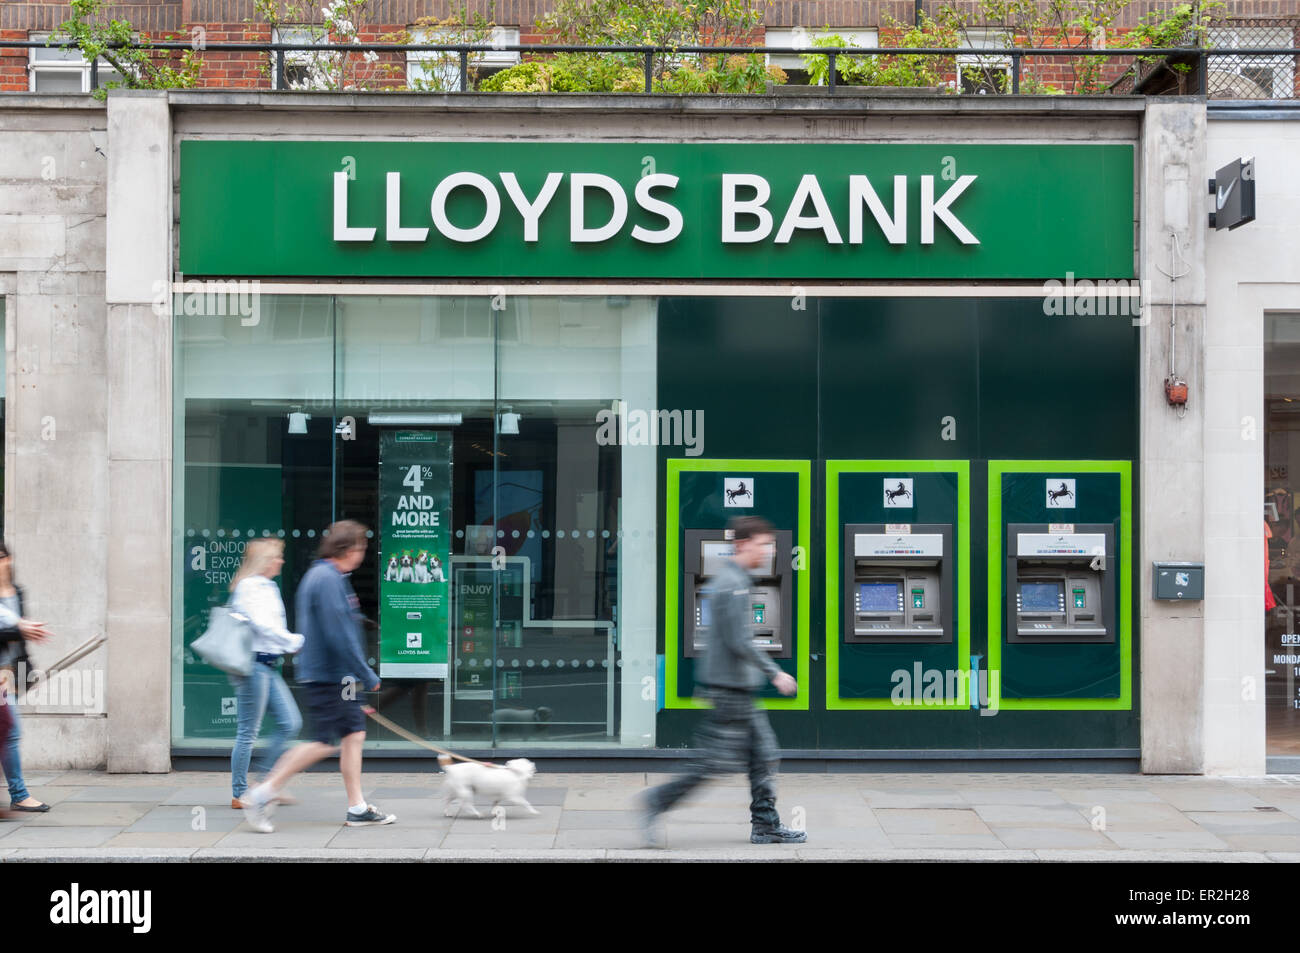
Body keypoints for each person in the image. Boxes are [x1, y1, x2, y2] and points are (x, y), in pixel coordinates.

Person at [640, 516, 806, 847]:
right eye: (763, 544)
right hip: (730, 692)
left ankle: (765, 825)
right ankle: (657, 801)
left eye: (770, 545)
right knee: (711, 764)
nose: (768, 551)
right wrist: (775, 672)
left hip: (735, 689)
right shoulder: (732, 583)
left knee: (763, 754)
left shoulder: (734, 579)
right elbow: (739, 641)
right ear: (743, 544)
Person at [240, 520, 395, 833]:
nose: (362, 554)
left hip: (337, 675)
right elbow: (337, 633)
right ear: (345, 549)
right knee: (323, 742)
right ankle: (261, 794)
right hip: (330, 676)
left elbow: (339, 625)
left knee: (354, 734)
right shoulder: (326, 578)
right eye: (360, 548)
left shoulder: (328, 576)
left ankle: (357, 807)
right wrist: (365, 672)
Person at [228, 538, 305, 809]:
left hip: (268, 665)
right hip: (253, 666)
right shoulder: (249, 588)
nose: (280, 561)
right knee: (248, 731)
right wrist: (293, 642)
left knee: (289, 722)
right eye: (276, 557)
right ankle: (240, 793)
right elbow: (261, 626)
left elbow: (270, 627)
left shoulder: (267, 586)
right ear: (264, 561)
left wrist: (286, 644)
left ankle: (264, 785)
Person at [0, 541, 52, 814]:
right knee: (10, 731)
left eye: (1, 557)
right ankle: (19, 794)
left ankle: (18, 794)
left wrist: (27, 672)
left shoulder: (17, 592)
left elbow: (20, 640)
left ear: (9, 559)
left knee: (5, 732)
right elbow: (12, 632)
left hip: (11, 674)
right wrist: (20, 629)